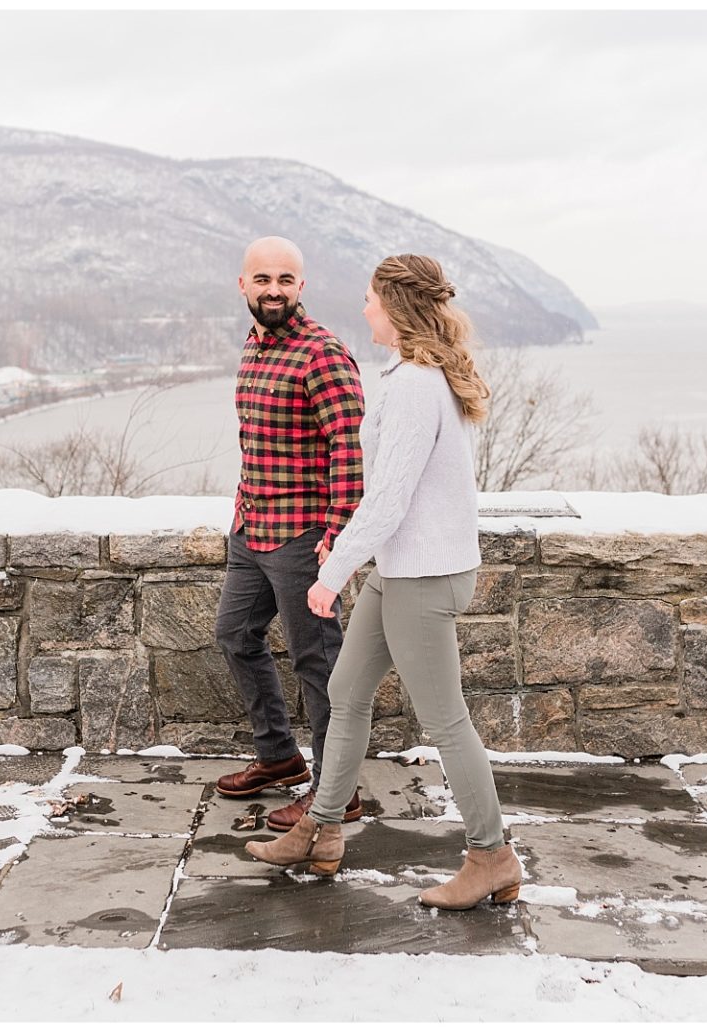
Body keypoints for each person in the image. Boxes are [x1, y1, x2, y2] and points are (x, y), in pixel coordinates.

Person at [246, 253, 523, 910]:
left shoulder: (416, 386)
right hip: (404, 569)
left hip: (423, 577)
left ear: (395, 309)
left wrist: (332, 569)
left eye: (371, 298)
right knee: (345, 690)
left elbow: (389, 498)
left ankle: (492, 855)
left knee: (446, 721)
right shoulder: (412, 378)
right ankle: (322, 830)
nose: (364, 307)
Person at [213, 236, 366, 831]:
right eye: (262, 279)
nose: (272, 289)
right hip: (252, 528)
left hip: (304, 535)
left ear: (301, 286)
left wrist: (339, 536)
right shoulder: (254, 346)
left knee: (318, 662)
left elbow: (349, 451)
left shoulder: (322, 353)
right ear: (243, 285)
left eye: (285, 279)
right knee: (234, 636)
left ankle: (338, 790)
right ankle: (279, 757)